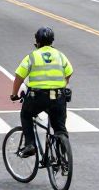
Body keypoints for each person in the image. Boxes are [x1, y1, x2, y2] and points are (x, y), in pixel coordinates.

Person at [10, 26, 73, 157]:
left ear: (37, 42)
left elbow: (19, 77)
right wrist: (61, 85)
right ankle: (64, 155)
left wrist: (14, 94)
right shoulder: (60, 55)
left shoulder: (32, 56)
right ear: (52, 41)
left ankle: (30, 145)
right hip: (58, 96)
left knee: (26, 115)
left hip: (38, 97)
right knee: (60, 128)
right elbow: (69, 72)